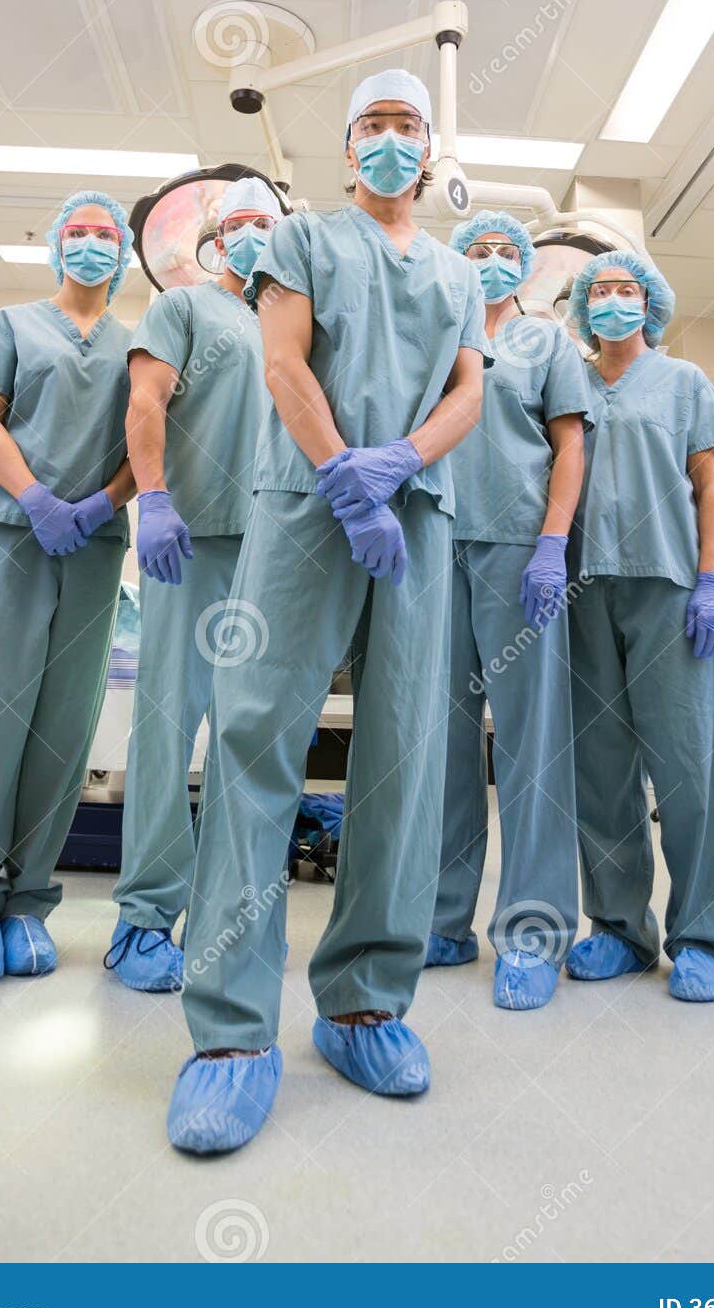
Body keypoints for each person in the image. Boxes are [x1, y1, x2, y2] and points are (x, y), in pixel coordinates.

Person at [167, 67, 488, 1154]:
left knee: (404, 756)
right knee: (257, 743)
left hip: (421, 512)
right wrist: (347, 474)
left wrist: (401, 462)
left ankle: (363, 1004)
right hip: (307, 504)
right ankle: (229, 1034)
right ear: (350, 151)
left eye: (409, 125)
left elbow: (469, 393)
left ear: (431, 148)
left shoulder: (456, 271)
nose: (393, 142)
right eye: (375, 127)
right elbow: (283, 360)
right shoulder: (299, 242)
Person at [0, 192, 136, 984]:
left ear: (123, 254)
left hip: (93, 540)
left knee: (62, 729)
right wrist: (36, 499)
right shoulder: (14, 325)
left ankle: (25, 903)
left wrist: (100, 503)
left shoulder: (135, 344)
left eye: (104, 235)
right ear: (56, 247)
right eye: (77, 234)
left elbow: (145, 437)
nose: (90, 245)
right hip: (12, 533)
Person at [104, 177, 274, 992]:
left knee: (255, 736)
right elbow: (146, 400)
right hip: (193, 541)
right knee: (169, 731)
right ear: (211, 240)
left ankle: (230, 912)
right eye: (234, 224)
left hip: (277, 551)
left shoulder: (297, 324)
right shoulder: (184, 308)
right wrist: (156, 498)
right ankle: (142, 920)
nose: (248, 234)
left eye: (263, 223)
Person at [564, 250, 714, 1003]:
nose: (610, 301)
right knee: (599, 772)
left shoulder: (682, 382)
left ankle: (703, 938)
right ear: (580, 306)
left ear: (649, 303)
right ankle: (616, 929)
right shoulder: (565, 380)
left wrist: (713, 580)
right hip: (579, 591)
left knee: (687, 769)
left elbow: (711, 485)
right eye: (598, 291)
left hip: (668, 589)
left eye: (624, 290)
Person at [425, 211, 591, 1011]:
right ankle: (438, 916)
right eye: (474, 251)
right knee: (440, 744)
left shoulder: (545, 343)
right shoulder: (433, 334)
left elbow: (570, 445)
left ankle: (532, 932)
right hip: (432, 547)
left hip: (518, 551)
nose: (489, 261)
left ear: (524, 267)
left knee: (530, 743)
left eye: (502, 252)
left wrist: (553, 542)